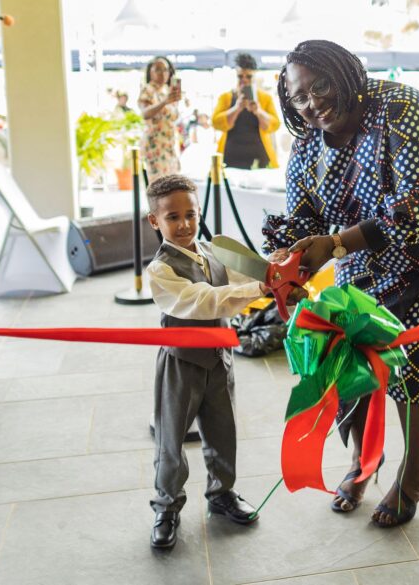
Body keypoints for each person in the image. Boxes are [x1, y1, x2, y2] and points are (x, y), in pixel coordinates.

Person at [263, 40, 419, 528]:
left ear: (345, 72)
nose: (312, 102)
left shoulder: (403, 109)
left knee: (412, 358)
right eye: (299, 96)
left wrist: (336, 244)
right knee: (345, 350)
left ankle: (413, 473)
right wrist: (289, 258)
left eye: (320, 86)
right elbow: (306, 213)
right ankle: (363, 461)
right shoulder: (307, 143)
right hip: (361, 247)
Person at [145, 174, 264, 548]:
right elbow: (203, 301)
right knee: (171, 440)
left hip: (220, 360)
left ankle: (222, 493)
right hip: (181, 364)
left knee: (222, 431)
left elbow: (253, 270)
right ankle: (167, 507)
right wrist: (257, 288)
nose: (184, 225)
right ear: (155, 221)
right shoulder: (160, 270)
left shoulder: (215, 251)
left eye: (191, 215)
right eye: (173, 217)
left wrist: (276, 271)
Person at [212, 53, 280, 169]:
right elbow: (216, 123)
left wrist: (258, 111)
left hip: (260, 158)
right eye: (240, 76)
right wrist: (236, 108)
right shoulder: (226, 97)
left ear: (254, 77)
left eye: (248, 77)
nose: (244, 80)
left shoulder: (265, 98)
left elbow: (274, 125)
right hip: (230, 157)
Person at [138, 56, 181, 180]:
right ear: (150, 72)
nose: (163, 73)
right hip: (155, 146)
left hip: (170, 145)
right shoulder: (148, 90)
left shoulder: (168, 90)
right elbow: (145, 113)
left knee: (172, 186)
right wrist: (164, 102)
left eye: (166, 70)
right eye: (158, 69)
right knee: (159, 188)